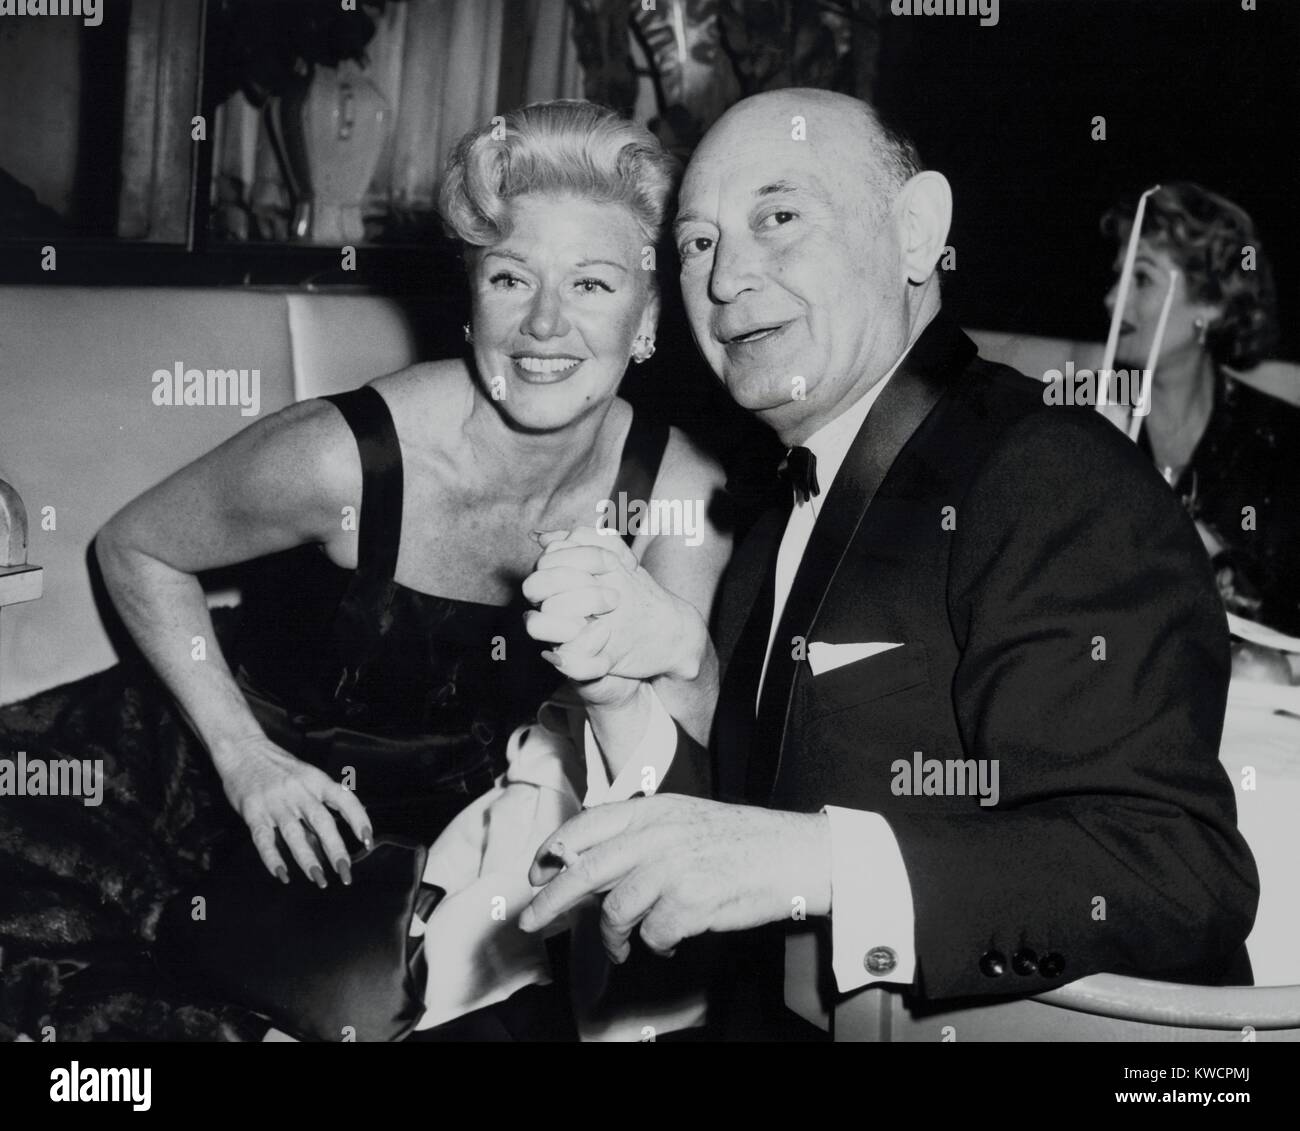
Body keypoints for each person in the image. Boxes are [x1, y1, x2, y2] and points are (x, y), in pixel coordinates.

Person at [516, 89, 1259, 1040]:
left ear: (916, 236)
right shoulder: (792, 490)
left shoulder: (1051, 472)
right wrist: (628, 699)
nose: (726, 278)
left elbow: (1176, 869)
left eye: (778, 218)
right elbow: (743, 826)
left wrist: (814, 862)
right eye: (696, 243)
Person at [0, 99, 730, 1041]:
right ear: (471, 302)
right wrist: (245, 757)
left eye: (591, 285)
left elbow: (677, 756)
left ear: (648, 318)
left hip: (449, 837)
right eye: (511, 277)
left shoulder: (679, 492)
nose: (544, 323)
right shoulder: (344, 459)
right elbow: (134, 546)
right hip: (197, 790)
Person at [1099, 182, 1300, 655]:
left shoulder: (1285, 446)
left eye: (1141, 279)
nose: (1112, 300)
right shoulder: (1085, 421)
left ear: (1210, 304)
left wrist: (1207, 551)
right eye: (1117, 276)